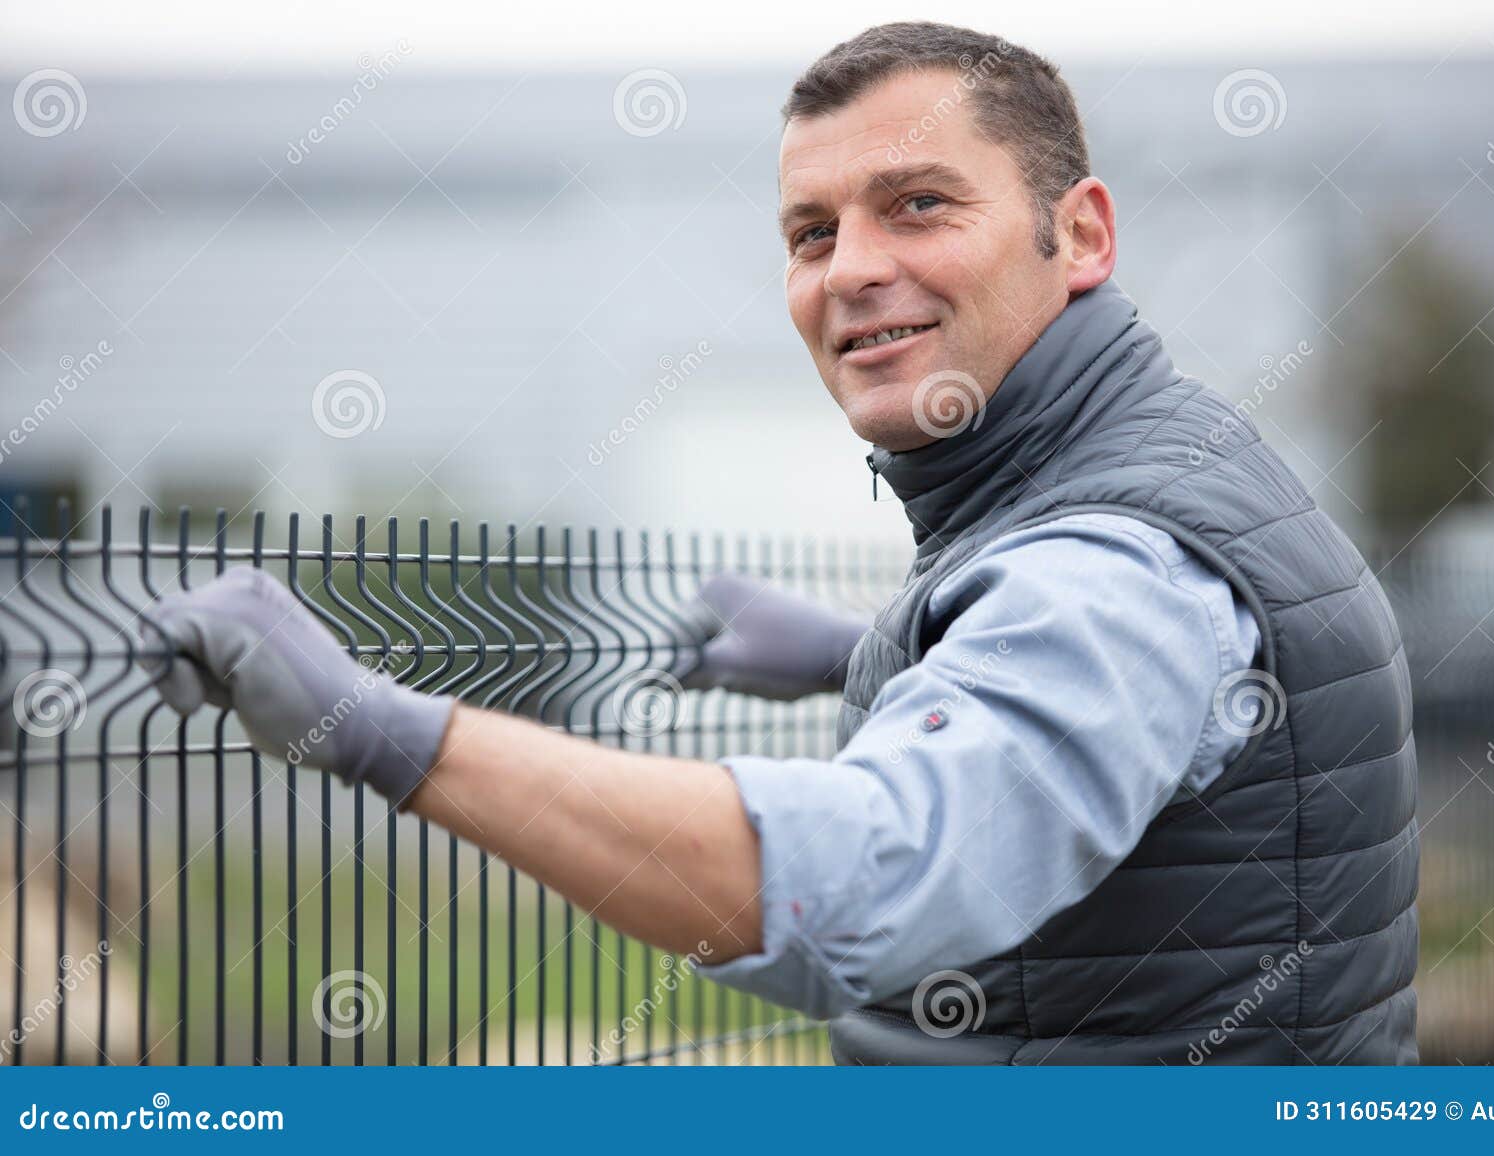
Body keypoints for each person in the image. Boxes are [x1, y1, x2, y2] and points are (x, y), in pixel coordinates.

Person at [140, 21, 1418, 1064]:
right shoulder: (1143, 459)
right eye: (812, 232)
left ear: (1078, 234)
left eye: (917, 205)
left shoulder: (1112, 570)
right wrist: (864, 656)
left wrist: (374, 725)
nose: (848, 269)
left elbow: (855, 887)